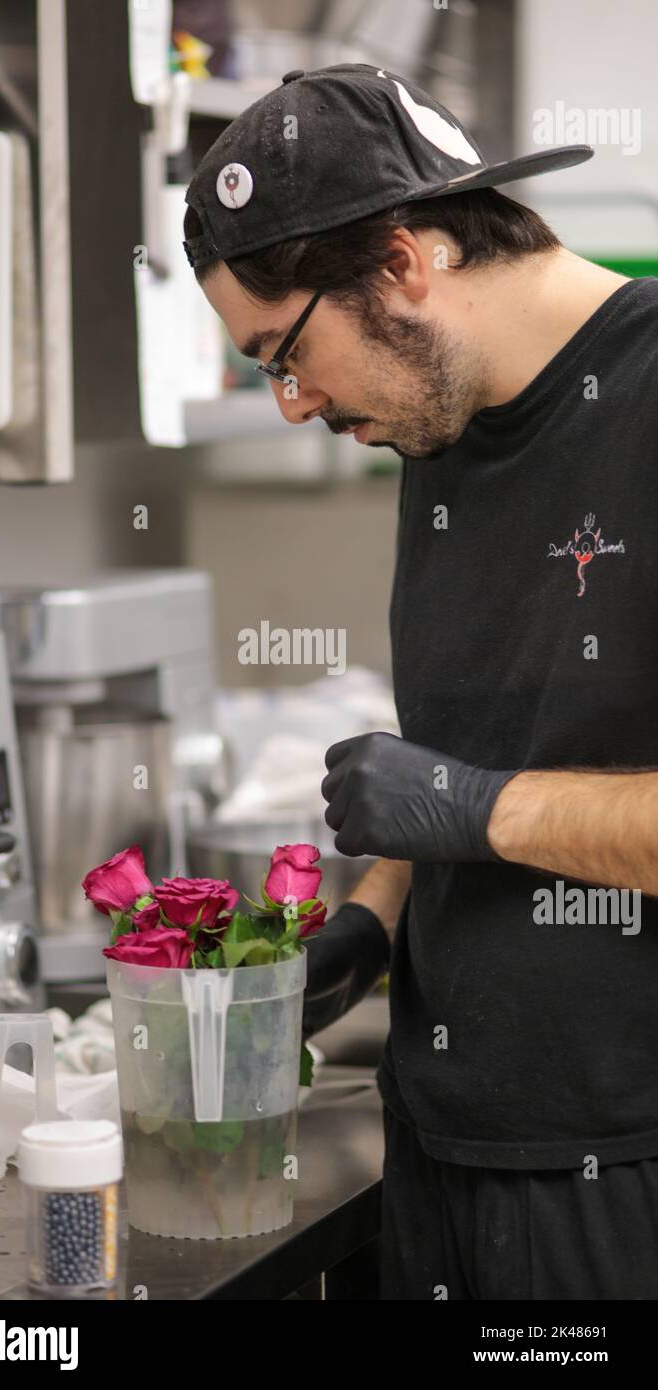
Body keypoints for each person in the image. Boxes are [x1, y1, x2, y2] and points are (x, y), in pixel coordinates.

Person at [182, 65, 658, 1299]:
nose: (290, 404)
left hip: (618, 1171)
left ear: (402, 265)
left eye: (283, 354)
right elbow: (497, 743)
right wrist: (372, 922)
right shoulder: (435, 414)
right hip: (442, 1142)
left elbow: (480, 790)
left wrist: (467, 808)